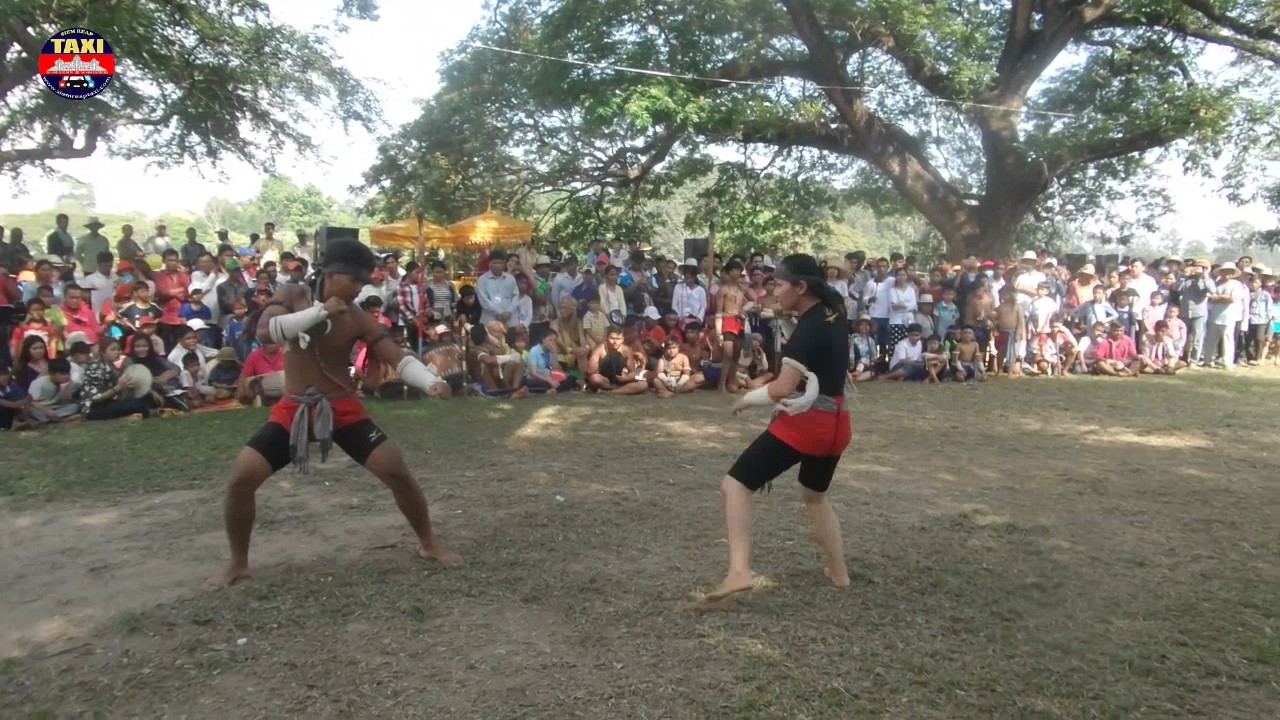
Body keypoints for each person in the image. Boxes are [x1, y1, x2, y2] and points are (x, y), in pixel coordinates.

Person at [211, 239, 460, 589]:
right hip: (294, 407)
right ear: (330, 274)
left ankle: (429, 543)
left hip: (343, 407)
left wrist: (429, 381)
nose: (360, 290)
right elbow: (266, 331)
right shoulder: (293, 294)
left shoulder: (356, 316)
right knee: (241, 479)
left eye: (363, 283)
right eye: (355, 281)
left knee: (396, 471)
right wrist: (320, 312)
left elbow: (393, 355)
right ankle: (238, 563)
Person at [706, 254, 851, 601]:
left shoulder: (807, 330)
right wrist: (785, 317)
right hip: (838, 423)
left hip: (808, 423)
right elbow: (812, 343)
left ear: (801, 287)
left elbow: (783, 388)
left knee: (735, 485)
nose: (774, 291)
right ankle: (839, 571)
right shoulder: (834, 312)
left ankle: (739, 572)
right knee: (814, 495)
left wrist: (746, 399)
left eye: (780, 285)